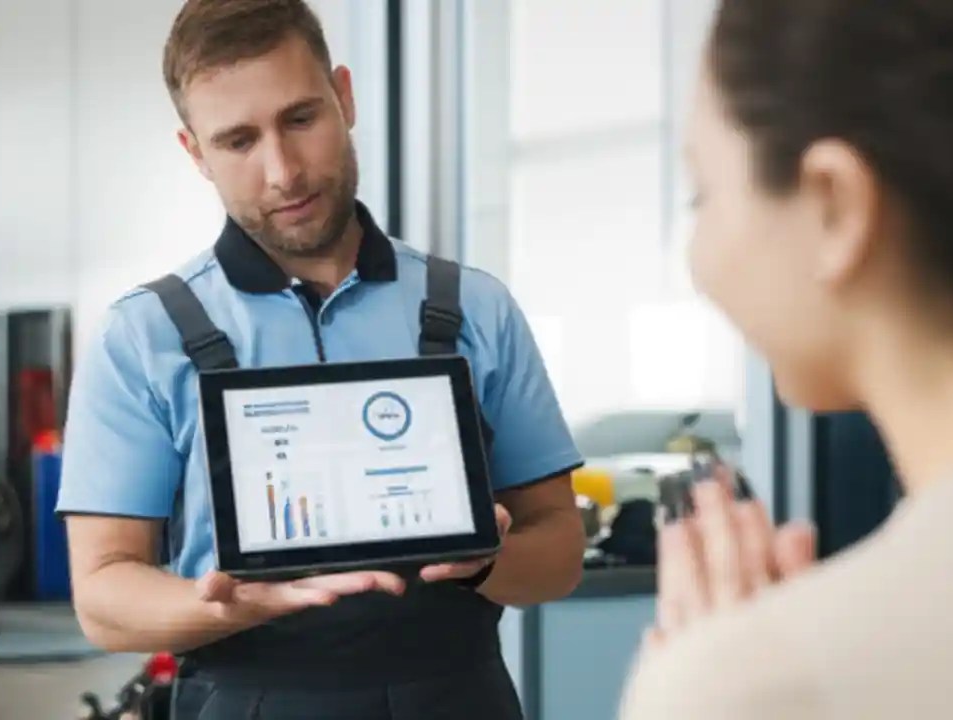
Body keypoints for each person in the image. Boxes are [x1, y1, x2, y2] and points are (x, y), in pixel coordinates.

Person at [55, 1, 585, 718]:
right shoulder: (144, 338)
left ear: (345, 97)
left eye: (300, 119)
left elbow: (559, 550)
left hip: (461, 695)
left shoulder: (475, 309)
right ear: (195, 153)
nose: (283, 171)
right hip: (250, 697)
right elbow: (103, 597)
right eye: (238, 140)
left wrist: (489, 560)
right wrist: (228, 607)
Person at [619, 1, 953, 718]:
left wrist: (743, 676)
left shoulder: (765, 684)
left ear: (834, 205)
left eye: (702, 194)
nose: (698, 261)